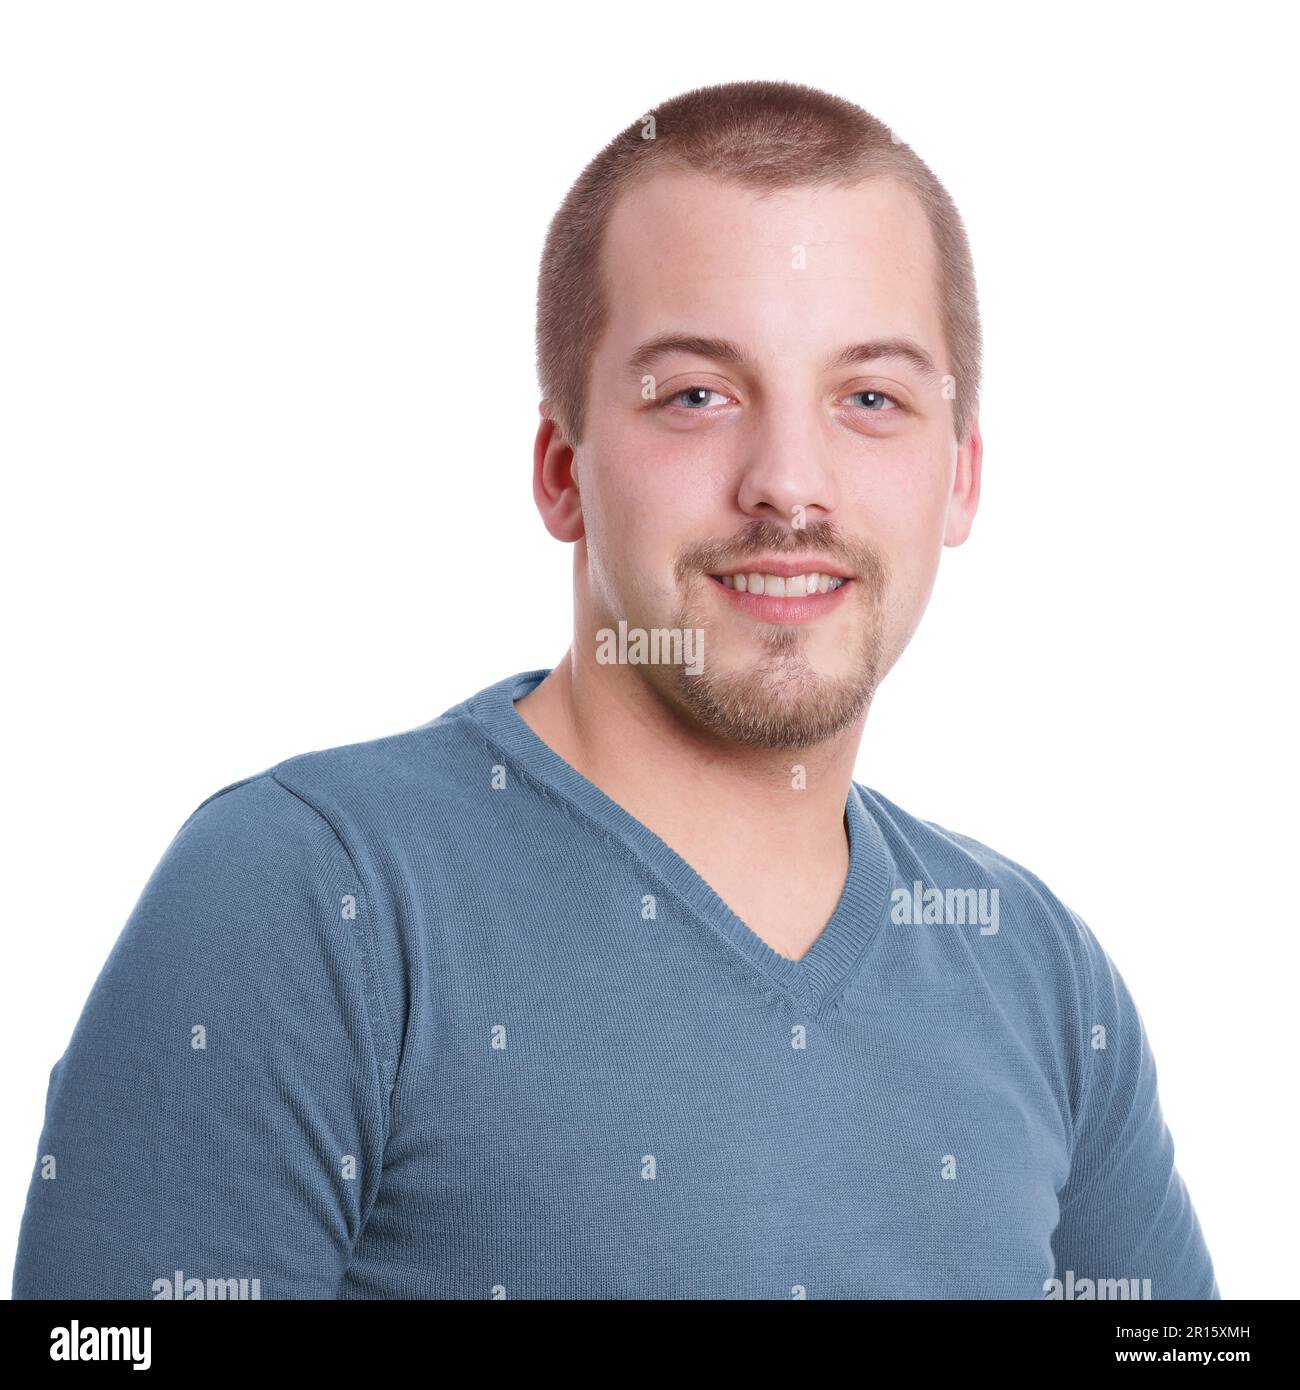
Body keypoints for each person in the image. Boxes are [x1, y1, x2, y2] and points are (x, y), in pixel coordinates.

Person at [12, 79, 1218, 1300]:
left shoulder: (1042, 976)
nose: (789, 483)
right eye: (697, 395)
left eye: (870, 399)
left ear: (959, 477)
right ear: (561, 469)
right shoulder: (312, 898)